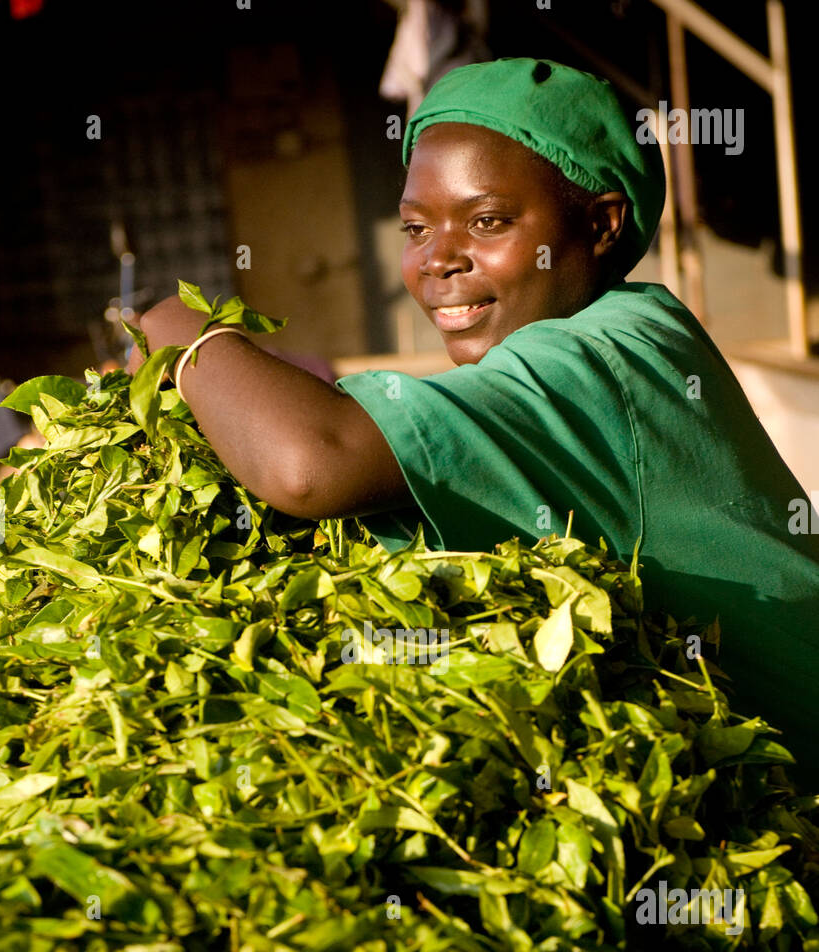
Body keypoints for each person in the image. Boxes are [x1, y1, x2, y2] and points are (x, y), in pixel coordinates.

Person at [128, 57, 819, 784]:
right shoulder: (616, 339)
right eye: (414, 227)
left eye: (487, 221)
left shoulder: (606, 356)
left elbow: (310, 464)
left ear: (600, 224)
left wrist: (176, 327)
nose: (438, 259)